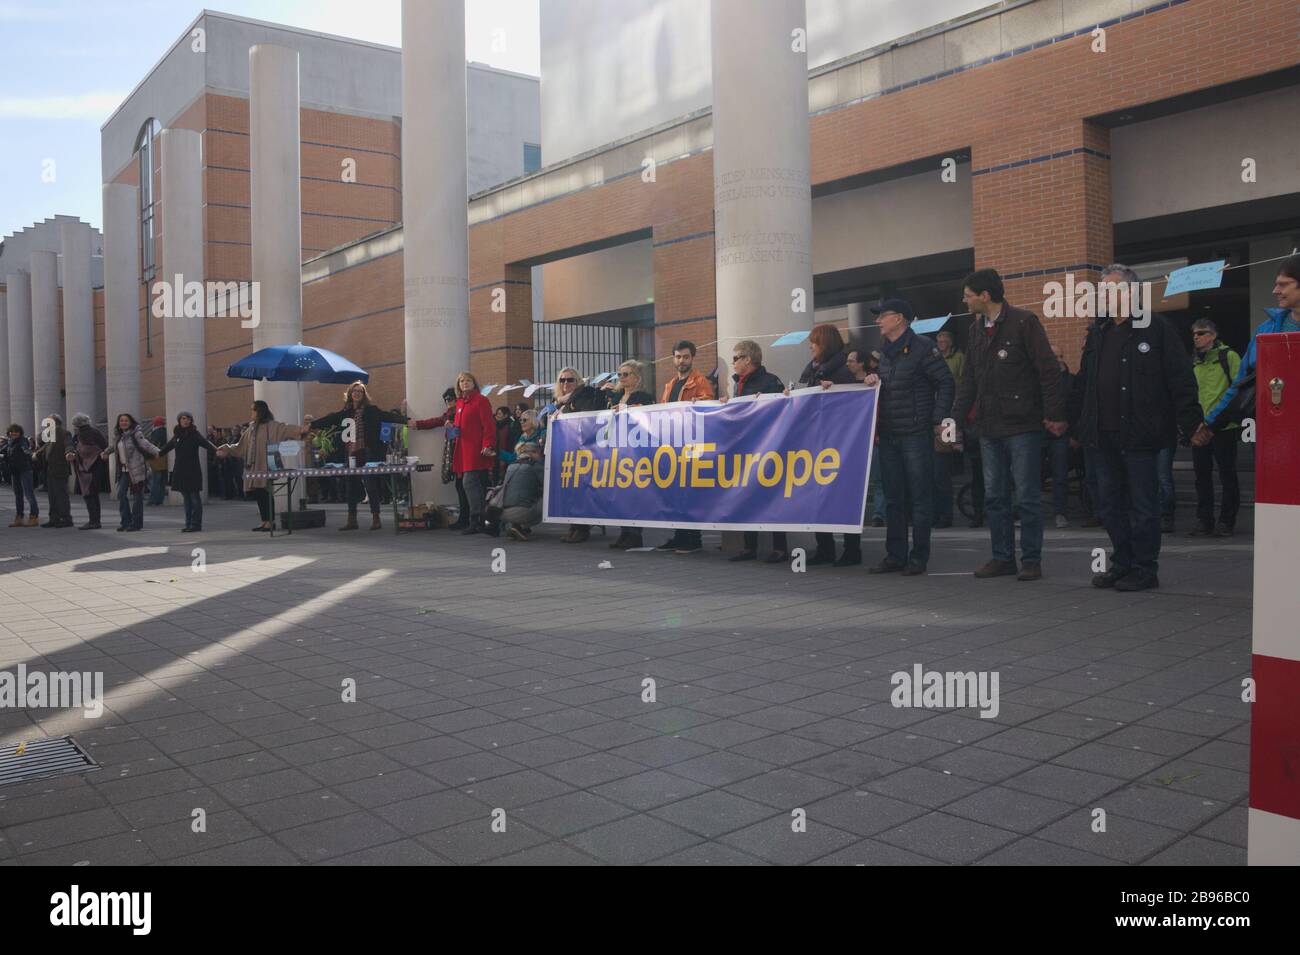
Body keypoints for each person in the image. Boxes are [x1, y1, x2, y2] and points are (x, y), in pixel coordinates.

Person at [1070, 265, 1201, 592]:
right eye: (1101, 289)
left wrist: (1192, 421)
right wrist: (1072, 422)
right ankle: (1123, 563)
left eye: (1110, 288)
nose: (1102, 294)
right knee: (1109, 503)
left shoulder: (1156, 327)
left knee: (1143, 504)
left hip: (1141, 434)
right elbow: (1083, 382)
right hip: (1101, 435)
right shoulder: (1097, 332)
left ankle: (1145, 569)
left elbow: (1180, 378)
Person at [952, 268, 1066, 581]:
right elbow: (968, 382)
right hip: (989, 428)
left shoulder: (1024, 322)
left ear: (985, 296)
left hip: (1022, 426)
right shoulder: (975, 331)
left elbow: (1048, 370)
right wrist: (954, 420)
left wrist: (1054, 414)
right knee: (995, 496)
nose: (965, 301)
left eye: (968, 295)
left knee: (1027, 495)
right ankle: (1002, 558)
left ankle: (1031, 560)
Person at [862, 299, 955, 576]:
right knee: (894, 498)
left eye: (882, 316)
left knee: (919, 497)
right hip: (890, 434)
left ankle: (918, 557)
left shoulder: (924, 348)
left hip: (915, 434)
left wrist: (938, 420)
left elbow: (946, 383)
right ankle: (895, 555)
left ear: (899, 319)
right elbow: (889, 385)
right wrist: (872, 379)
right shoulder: (885, 354)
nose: (878, 321)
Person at [307, 381, 408, 532]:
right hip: (350, 452)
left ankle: (376, 518)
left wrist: (407, 420)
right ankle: (352, 519)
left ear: (364, 394)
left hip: (367, 451)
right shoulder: (345, 413)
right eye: (354, 391)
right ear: (349, 394)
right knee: (350, 487)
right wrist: (311, 425)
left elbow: (386, 416)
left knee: (370, 485)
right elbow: (329, 420)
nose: (356, 394)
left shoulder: (371, 410)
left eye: (360, 391)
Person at [800, 322, 860, 566]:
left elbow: (853, 400)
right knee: (819, 496)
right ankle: (825, 547)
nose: (810, 347)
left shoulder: (842, 370)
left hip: (840, 442)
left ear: (824, 343)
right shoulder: (814, 370)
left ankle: (852, 550)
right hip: (819, 441)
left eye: (814, 342)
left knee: (845, 496)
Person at [725, 339, 790, 563]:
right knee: (747, 495)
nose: (733, 363)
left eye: (735, 358)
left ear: (748, 360)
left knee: (771, 496)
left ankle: (780, 547)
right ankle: (749, 546)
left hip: (768, 447)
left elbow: (781, 409)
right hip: (746, 447)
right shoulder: (738, 384)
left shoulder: (770, 382)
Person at [411, 371, 496, 535]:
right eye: (462, 381)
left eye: (468, 380)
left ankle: (476, 519)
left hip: (475, 450)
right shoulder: (460, 404)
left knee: (469, 483)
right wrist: (451, 426)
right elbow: (457, 427)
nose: (465, 383)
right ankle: (480, 520)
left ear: (474, 383)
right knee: (473, 486)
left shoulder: (481, 401)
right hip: (462, 450)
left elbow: (489, 425)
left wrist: (488, 444)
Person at [656, 340, 715, 555]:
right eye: (678, 356)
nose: (682, 360)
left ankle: (693, 539)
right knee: (676, 493)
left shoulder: (700, 381)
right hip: (674, 445)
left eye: (686, 357)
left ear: (692, 358)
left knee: (690, 493)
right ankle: (679, 536)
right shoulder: (670, 385)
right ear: (673, 358)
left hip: (692, 445)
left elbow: (708, 405)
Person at [216, 401, 308, 532]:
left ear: (260, 411)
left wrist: (303, 428)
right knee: (259, 493)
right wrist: (226, 448)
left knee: (266, 492)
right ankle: (264, 521)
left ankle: (271, 522)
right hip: (253, 466)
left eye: (253, 410)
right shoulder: (251, 428)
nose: (251, 412)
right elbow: (240, 447)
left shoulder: (273, 426)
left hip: (266, 464)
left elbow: (288, 429)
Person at [1187, 318, 1241, 538]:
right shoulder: (1193, 362)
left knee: (1227, 474)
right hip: (1200, 428)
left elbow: (1238, 389)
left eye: (1201, 333)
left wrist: (1215, 422)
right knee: (1202, 476)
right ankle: (1204, 520)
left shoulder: (1228, 356)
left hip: (1224, 427)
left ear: (1213, 335)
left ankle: (1226, 521)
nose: (1196, 337)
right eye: (1194, 334)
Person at [601, 359, 655, 550]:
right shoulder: (616, 397)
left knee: (633, 493)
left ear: (637, 377)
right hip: (618, 449)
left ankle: (634, 534)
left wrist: (623, 410)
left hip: (635, 450)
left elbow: (645, 413)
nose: (621, 378)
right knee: (621, 494)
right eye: (620, 374)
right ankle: (624, 532)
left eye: (626, 374)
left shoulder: (644, 396)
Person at [546, 367, 603, 543]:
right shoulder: (558, 402)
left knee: (581, 490)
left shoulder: (583, 395)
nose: (565, 383)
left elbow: (585, 418)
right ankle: (573, 526)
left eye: (570, 380)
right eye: (562, 380)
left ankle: (582, 528)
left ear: (577, 381)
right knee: (570, 490)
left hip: (582, 451)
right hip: (564, 452)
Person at [157, 411, 219, 532]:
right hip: (180, 470)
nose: (185, 421)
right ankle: (188, 523)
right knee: (186, 499)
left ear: (191, 421)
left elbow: (206, 444)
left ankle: (196, 524)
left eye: (188, 419)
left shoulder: (194, 434)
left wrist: (217, 451)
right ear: (179, 420)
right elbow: (164, 449)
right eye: (183, 418)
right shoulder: (177, 435)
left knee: (194, 497)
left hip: (193, 470)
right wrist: (153, 453)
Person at [847, 346, 886, 527]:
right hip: (854, 442)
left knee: (878, 480)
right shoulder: (844, 383)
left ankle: (878, 515)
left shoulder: (874, 382)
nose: (847, 364)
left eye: (851, 361)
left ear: (861, 363)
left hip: (874, 439)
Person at [103, 413, 161, 532]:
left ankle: (136, 523)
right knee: (121, 494)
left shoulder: (136, 434)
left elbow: (146, 444)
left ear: (130, 422)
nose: (123, 423)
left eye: (126, 421)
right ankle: (125, 521)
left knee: (137, 497)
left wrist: (158, 451)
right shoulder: (118, 436)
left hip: (136, 469)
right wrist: (106, 452)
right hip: (124, 470)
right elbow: (114, 447)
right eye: (121, 421)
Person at [932, 330, 965, 528]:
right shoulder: (934, 359)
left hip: (948, 416)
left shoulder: (959, 358)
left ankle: (945, 514)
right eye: (939, 340)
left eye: (944, 340)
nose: (941, 343)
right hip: (936, 415)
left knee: (942, 465)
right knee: (934, 470)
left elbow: (960, 386)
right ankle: (938, 512)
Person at [1048, 345, 1074, 529]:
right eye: (1054, 356)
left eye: (1060, 355)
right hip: (1040, 432)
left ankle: (1060, 512)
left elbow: (1075, 406)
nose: (1058, 359)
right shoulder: (1038, 379)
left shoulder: (1071, 381)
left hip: (1062, 434)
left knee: (1060, 475)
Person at [67, 413, 108, 529]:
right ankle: (95, 520)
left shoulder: (83, 434)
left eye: (74, 425)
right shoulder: (94, 432)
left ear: (77, 425)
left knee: (89, 495)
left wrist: (76, 454)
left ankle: (94, 521)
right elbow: (103, 446)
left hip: (89, 469)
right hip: (94, 468)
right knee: (92, 495)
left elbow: (87, 450)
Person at [33, 414, 74, 528]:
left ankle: (66, 519)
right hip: (50, 469)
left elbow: (69, 445)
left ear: (55, 422)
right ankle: (54, 519)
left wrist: (69, 452)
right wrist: (37, 453)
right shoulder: (51, 434)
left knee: (61, 495)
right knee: (52, 496)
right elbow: (46, 446)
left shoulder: (64, 433)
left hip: (60, 469)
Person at [501, 440, 546, 540]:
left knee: (518, 496)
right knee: (546, 498)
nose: (541, 457)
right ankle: (522, 526)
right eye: (540, 453)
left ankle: (516, 526)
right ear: (533, 453)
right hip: (523, 512)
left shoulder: (511, 466)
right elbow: (545, 485)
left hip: (504, 514)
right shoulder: (535, 466)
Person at [2, 425, 39, 527]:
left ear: (20, 433)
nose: (13, 433)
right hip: (15, 472)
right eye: (11, 432)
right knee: (18, 495)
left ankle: (34, 517)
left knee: (29, 494)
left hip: (25, 471)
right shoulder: (10, 443)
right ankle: (19, 517)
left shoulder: (22, 442)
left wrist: (30, 455)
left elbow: (27, 452)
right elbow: (5, 453)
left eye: (16, 432)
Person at [146, 415, 169, 505]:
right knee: (162, 482)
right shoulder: (165, 431)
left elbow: (152, 446)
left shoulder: (156, 432)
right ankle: (160, 500)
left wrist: (147, 457)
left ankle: (153, 500)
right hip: (165, 460)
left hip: (156, 460)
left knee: (155, 481)